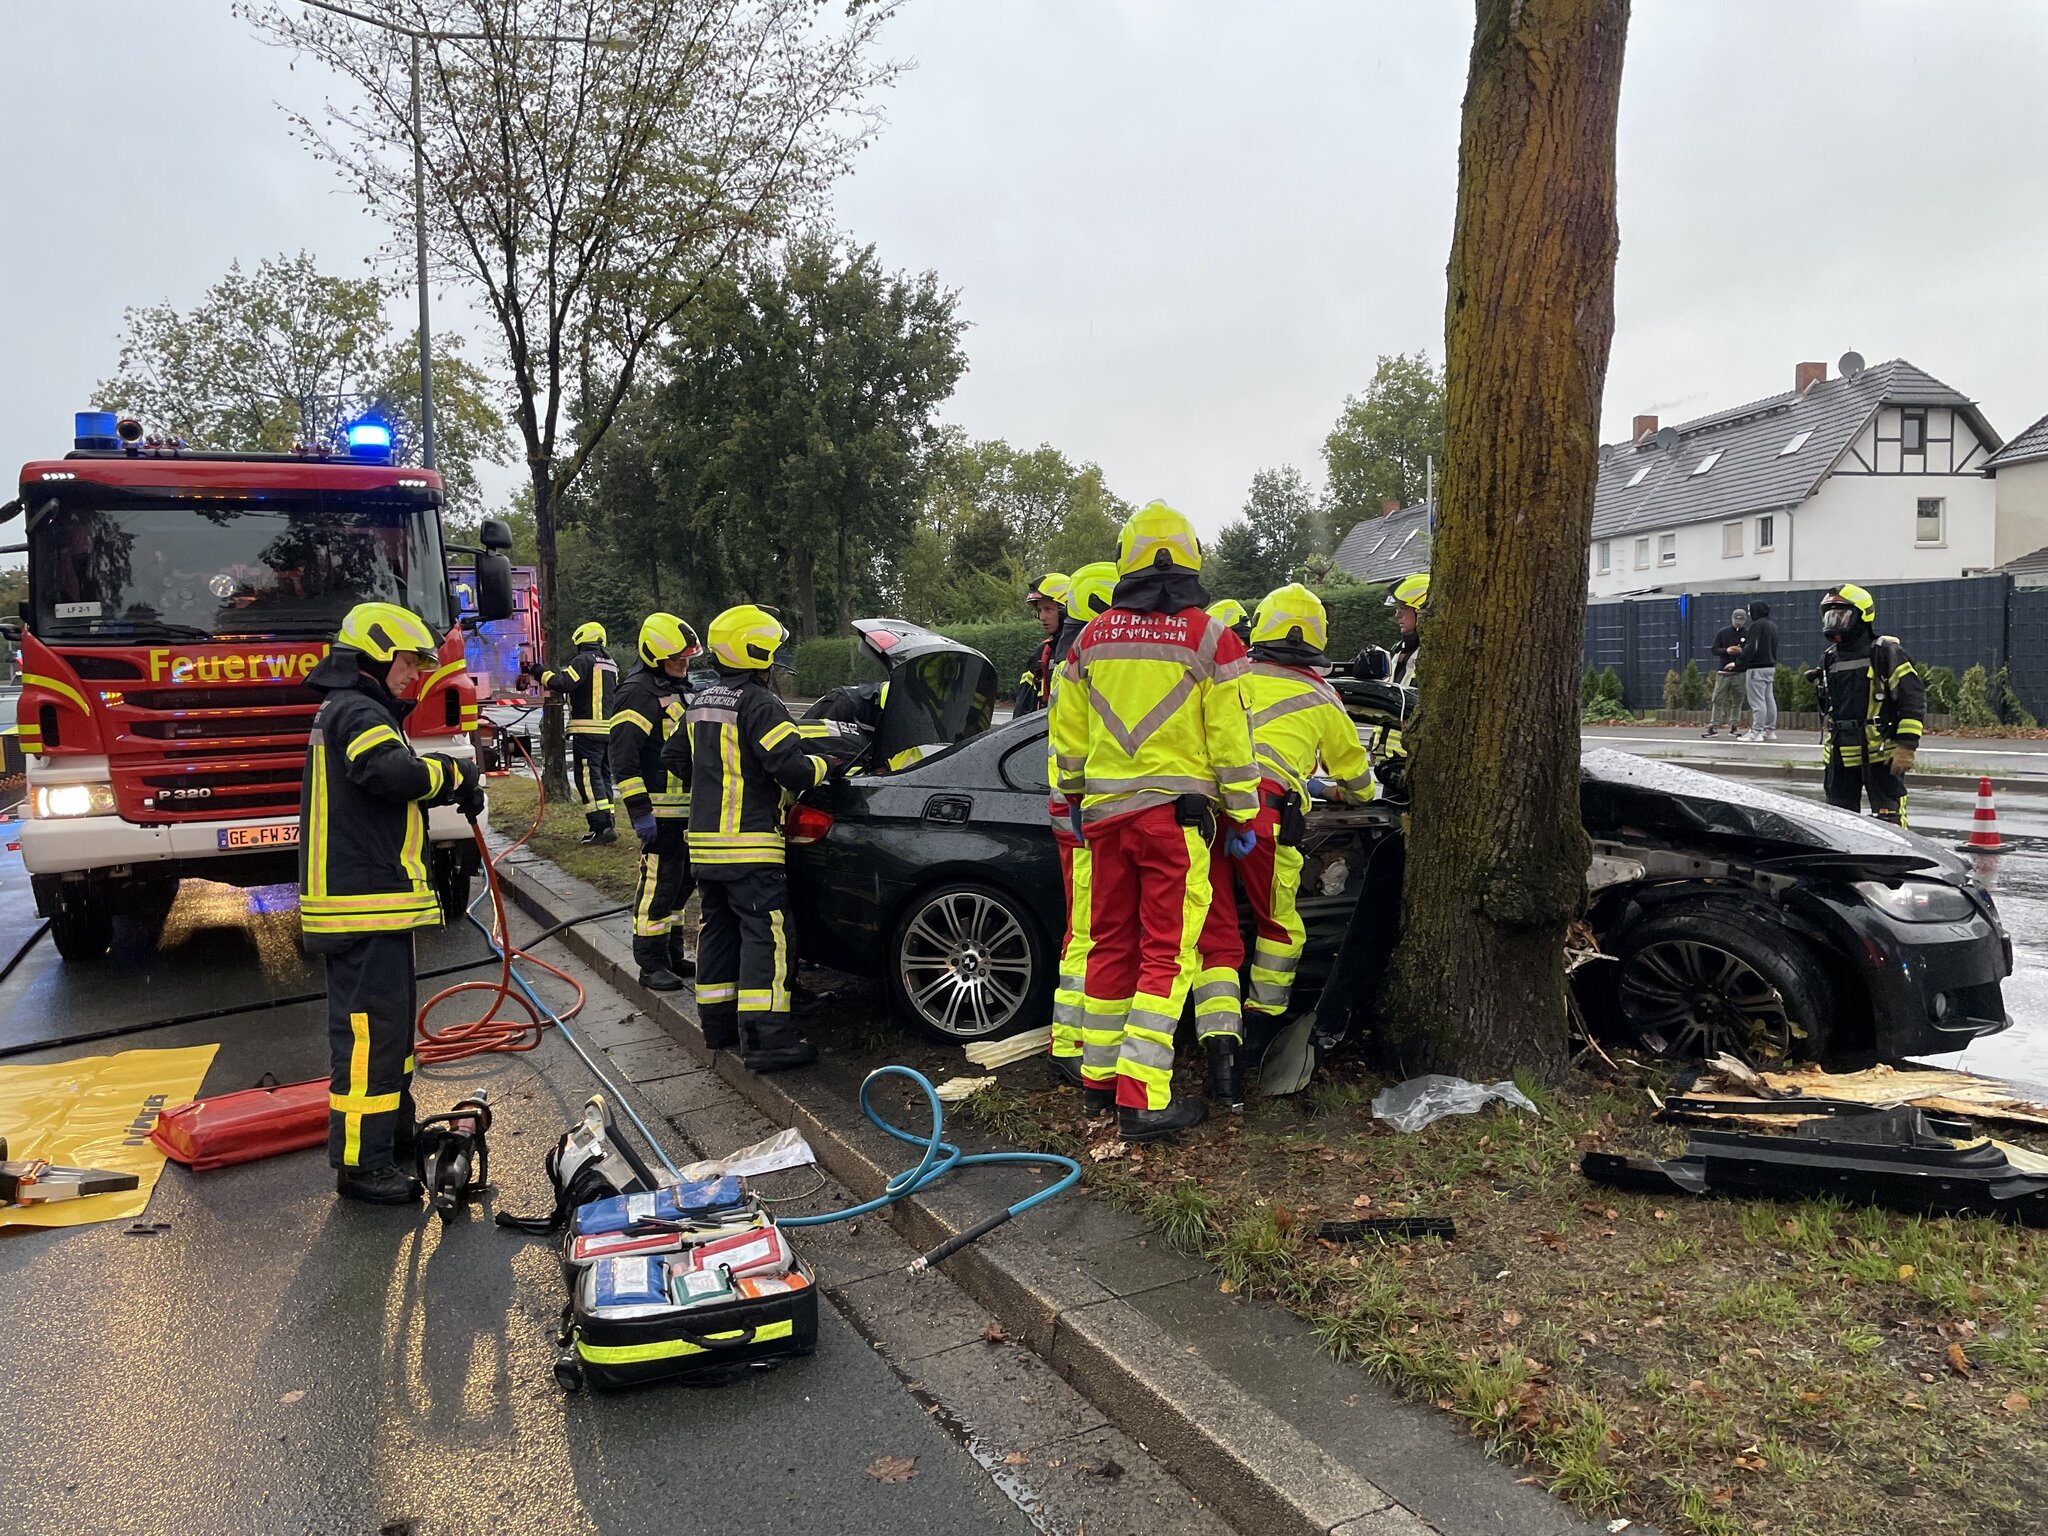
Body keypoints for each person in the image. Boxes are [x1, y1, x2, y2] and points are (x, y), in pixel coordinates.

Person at [1049, 502, 1258, 1140]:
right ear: (1190, 560)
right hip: (1175, 824)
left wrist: (1076, 803)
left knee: (1110, 944)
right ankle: (1144, 1100)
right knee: (1167, 953)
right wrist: (1244, 813)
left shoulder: (1088, 638)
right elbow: (1231, 742)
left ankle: (1100, 1082)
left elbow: (1069, 738)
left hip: (1106, 822)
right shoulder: (1212, 638)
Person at [299, 602, 483, 1205]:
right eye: (409, 662)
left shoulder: (360, 709)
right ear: (377, 656)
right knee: (367, 1042)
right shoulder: (357, 710)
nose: (416, 675)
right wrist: (453, 776)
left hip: (375, 906)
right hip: (360, 906)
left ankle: (391, 1137)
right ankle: (360, 1164)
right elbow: (393, 775)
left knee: (389, 1036)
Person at [1195, 585, 1378, 1099]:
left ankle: (1220, 1057)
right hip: (1267, 825)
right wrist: (1331, 788)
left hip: (1207, 818)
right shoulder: (1324, 698)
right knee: (1278, 929)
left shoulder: (1230, 675)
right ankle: (1259, 1038)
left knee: (1215, 937)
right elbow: (1360, 782)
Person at [666, 604, 829, 1072]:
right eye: (772, 653)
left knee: (717, 930)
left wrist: (715, 778)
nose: (775, 663)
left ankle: (717, 1026)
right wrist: (825, 766)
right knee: (768, 935)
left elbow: (675, 756)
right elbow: (791, 767)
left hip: (705, 845)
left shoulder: (699, 701)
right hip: (751, 844)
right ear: (754, 652)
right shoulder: (761, 703)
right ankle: (768, 1040)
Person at [1046, 560, 1119, 1098]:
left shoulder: (1070, 656)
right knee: (1089, 931)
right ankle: (1071, 1046)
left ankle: (1074, 1042)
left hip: (1074, 812)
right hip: (1084, 816)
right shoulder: (1087, 659)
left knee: (1086, 928)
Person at [608, 613, 701, 992]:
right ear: (653, 655)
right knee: (658, 888)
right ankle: (650, 964)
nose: (684, 663)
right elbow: (623, 758)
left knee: (681, 887)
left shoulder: (677, 685)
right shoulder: (637, 692)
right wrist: (640, 812)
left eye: (686, 657)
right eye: (676, 658)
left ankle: (672, 955)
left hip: (688, 811)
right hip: (659, 814)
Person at [1812, 584, 1925, 826]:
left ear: (1862, 616)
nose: (1835, 621)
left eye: (1841, 614)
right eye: (1830, 615)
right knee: (1839, 824)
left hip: (1880, 754)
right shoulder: (1829, 657)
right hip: (1839, 755)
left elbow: (1912, 699)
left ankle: (1896, 862)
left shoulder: (1886, 652)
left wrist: (1907, 745)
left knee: (1890, 821)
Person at [539, 621, 620, 843]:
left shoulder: (583, 660)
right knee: (602, 776)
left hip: (587, 730)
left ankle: (601, 827)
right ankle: (608, 822)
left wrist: (540, 674)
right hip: (607, 730)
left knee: (587, 777)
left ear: (581, 640)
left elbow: (564, 682)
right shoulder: (610, 663)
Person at [1014, 573, 1071, 714]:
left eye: (1048, 609)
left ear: (1066, 610)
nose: (1042, 617)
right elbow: (1022, 706)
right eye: (1039, 610)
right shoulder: (1042, 652)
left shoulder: (1085, 650)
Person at [1734, 600, 1780, 741]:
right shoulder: (1772, 626)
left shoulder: (1756, 626)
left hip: (1756, 668)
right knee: (1768, 698)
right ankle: (1769, 730)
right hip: (1770, 666)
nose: (1749, 613)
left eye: (1750, 610)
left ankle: (1756, 732)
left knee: (1757, 701)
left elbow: (1751, 647)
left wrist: (1738, 663)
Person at [1703, 608, 1747, 737]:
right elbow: (1714, 649)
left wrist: (1741, 651)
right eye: (1736, 620)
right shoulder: (1723, 633)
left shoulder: (1748, 634)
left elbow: (1750, 651)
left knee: (1737, 700)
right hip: (1723, 672)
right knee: (1717, 699)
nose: (1738, 623)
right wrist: (1726, 651)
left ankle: (1734, 726)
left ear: (1745, 620)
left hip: (1740, 672)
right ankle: (1713, 725)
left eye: (1741, 620)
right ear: (1732, 619)